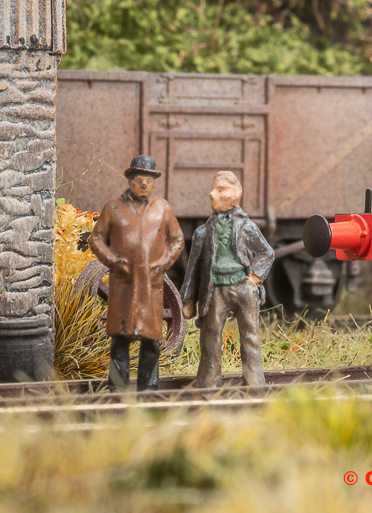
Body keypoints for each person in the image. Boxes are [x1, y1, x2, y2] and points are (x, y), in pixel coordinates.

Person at [88, 155, 184, 391]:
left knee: (151, 340)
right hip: (123, 284)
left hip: (151, 285)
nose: (143, 185)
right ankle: (117, 389)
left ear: (154, 183)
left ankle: (149, 388)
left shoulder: (163, 208)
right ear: (130, 180)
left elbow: (178, 239)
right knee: (120, 338)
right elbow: (96, 239)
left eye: (148, 181)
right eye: (139, 179)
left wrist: (164, 262)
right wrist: (112, 260)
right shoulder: (113, 207)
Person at [180, 171, 275, 387]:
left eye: (221, 189)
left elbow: (267, 253)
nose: (212, 194)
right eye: (214, 189)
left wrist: (255, 278)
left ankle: (254, 382)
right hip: (215, 290)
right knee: (210, 336)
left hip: (244, 288)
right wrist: (188, 299)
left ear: (235, 194)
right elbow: (193, 269)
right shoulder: (203, 232)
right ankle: (208, 380)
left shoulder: (248, 227)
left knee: (250, 336)